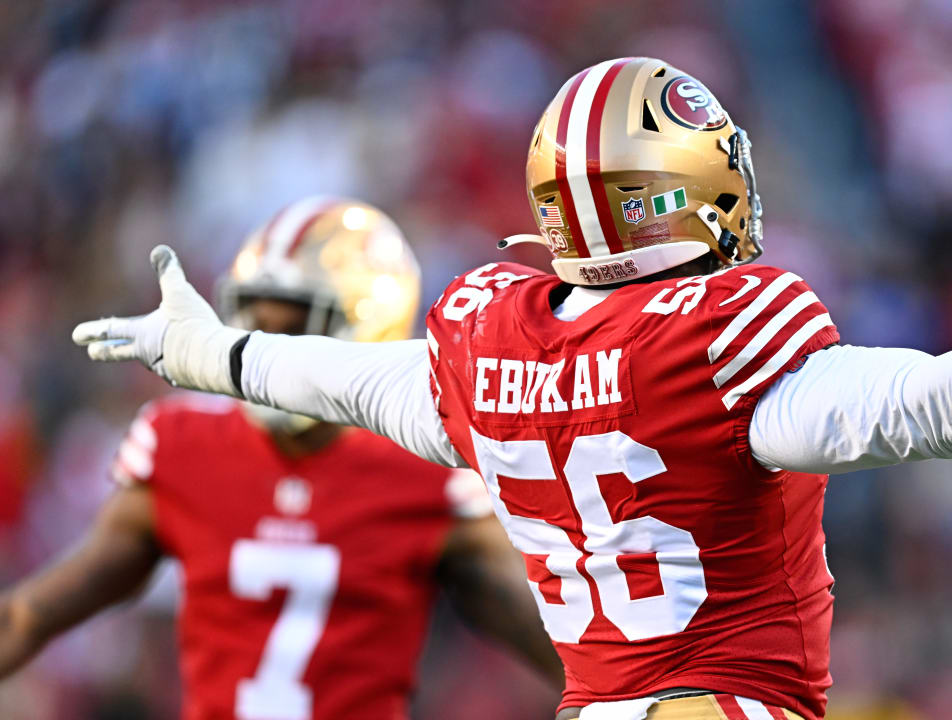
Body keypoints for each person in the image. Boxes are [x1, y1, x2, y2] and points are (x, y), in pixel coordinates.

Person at [72, 59, 952, 720]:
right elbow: (910, 409)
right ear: (671, 189)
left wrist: (215, 358)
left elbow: (357, 383)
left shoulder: (490, 348)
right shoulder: (715, 337)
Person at [9, 197, 561, 720]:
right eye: (252, 323)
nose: (262, 349)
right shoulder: (180, 444)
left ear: (367, 328)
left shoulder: (427, 473)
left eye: (289, 328)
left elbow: (566, 657)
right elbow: (31, 614)